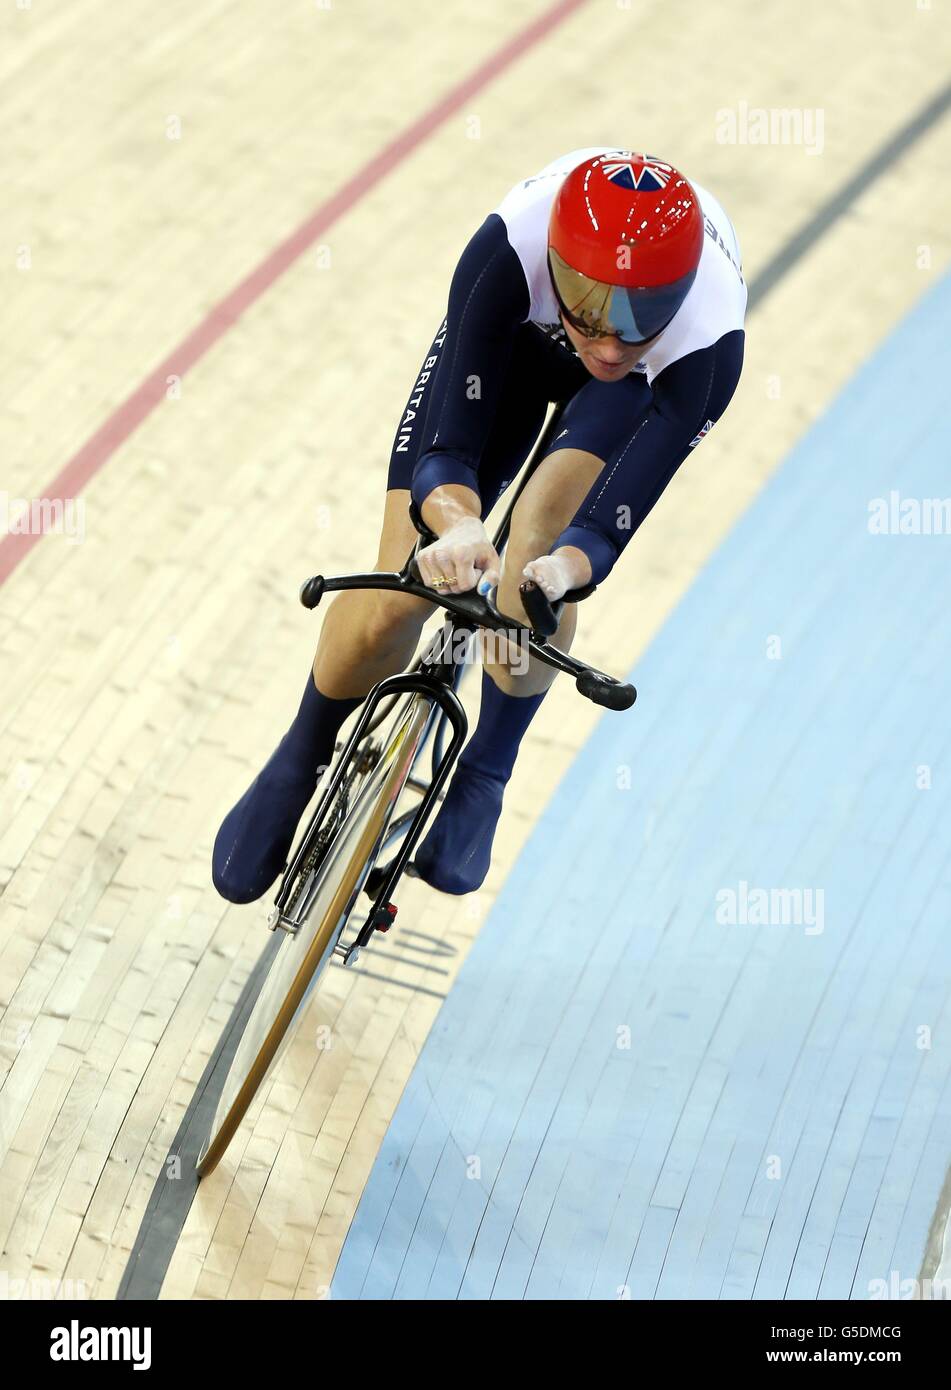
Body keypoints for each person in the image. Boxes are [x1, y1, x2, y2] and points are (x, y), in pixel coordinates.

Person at [212, 148, 747, 903]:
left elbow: (608, 523)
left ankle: (486, 770)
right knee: (400, 588)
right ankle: (300, 753)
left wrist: (562, 571)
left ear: (681, 296)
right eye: (591, 309)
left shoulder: (706, 344)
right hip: (516, 349)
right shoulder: (507, 250)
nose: (605, 343)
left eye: (638, 322)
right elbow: (446, 452)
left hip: (629, 399)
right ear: (555, 263)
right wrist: (457, 524)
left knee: (535, 551)